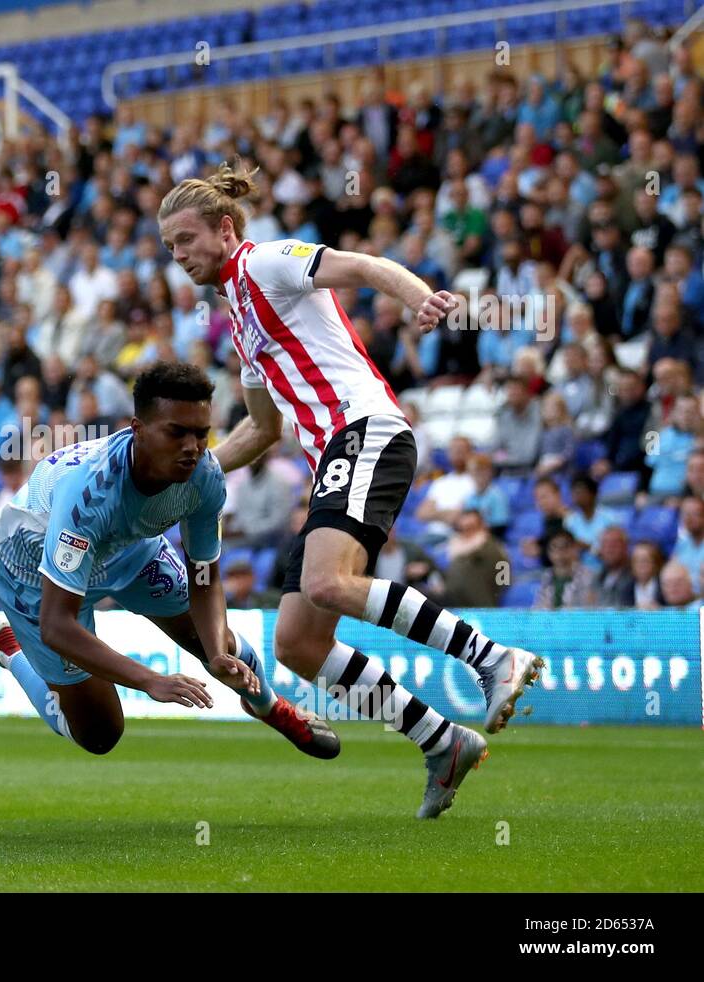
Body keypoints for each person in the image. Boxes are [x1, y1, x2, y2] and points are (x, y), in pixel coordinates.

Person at [159, 162, 544, 819]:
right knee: (297, 644)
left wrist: (420, 296)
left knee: (328, 582)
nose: (179, 256)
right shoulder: (242, 321)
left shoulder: (268, 262)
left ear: (225, 229)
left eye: (186, 240)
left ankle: (492, 657)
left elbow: (363, 266)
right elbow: (262, 429)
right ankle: (439, 739)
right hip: (334, 457)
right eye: (169, 248)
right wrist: (185, 474)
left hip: (367, 432)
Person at [0, 362, 339, 760]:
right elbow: (57, 625)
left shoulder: (205, 477)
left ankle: (271, 707)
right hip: (31, 570)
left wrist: (216, 651)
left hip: (128, 549)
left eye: (201, 433)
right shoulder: (89, 495)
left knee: (213, 641)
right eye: (176, 432)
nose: (192, 447)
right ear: (138, 429)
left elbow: (204, 575)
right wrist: (150, 680)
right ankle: (11, 650)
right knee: (100, 735)